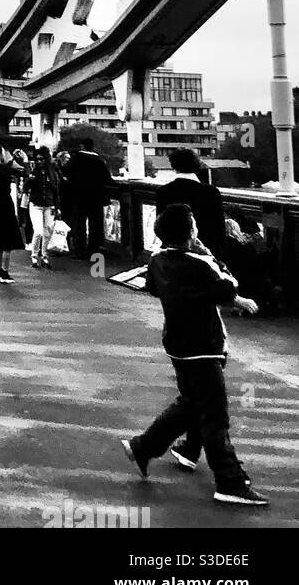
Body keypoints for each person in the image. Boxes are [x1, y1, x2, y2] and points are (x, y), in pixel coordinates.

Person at [120, 203, 267, 507]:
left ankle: (145, 447)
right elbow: (228, 284)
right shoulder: (200, 263)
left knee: (191, 404)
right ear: (189, 233)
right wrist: (207, 254)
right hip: (204, 346)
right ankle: (229, 481)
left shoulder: (157, 260)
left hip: (178, 345)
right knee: (214, 415)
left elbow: (153, 289)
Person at [155, 148, 227, 260]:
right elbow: (220, 232)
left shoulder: (163, 192)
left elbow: (161, 229)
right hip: (206, 255)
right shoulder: (211, 193)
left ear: (174, 166)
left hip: (173, 258)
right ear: (196, 165)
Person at [61, 137, 114, 260]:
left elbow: (66, 173)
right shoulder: (100, 161)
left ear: (82, 146)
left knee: (79, 224)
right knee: (95, 224)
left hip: (78, 197)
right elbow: (107, 179)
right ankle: (93, 249)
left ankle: (79, 250)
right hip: (96, 197)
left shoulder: (75, 159)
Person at [0, 146, 27, 283]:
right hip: (5, 206)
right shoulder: (4, 169)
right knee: (8, 242)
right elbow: (24, 172)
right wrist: (23, 160)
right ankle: (5, 273)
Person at [24, 145, 61, 269]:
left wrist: (57, 206)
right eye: (38, 159)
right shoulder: (36, 172)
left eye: (42, 159)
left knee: (48, 231)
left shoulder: (52, 172)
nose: (39, 162)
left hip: (49, 205)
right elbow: (26, 186)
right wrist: (30, 179)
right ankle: (35, 255)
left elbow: (56, 191)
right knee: (39, 231)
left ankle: (44, 255)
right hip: (36, 205)